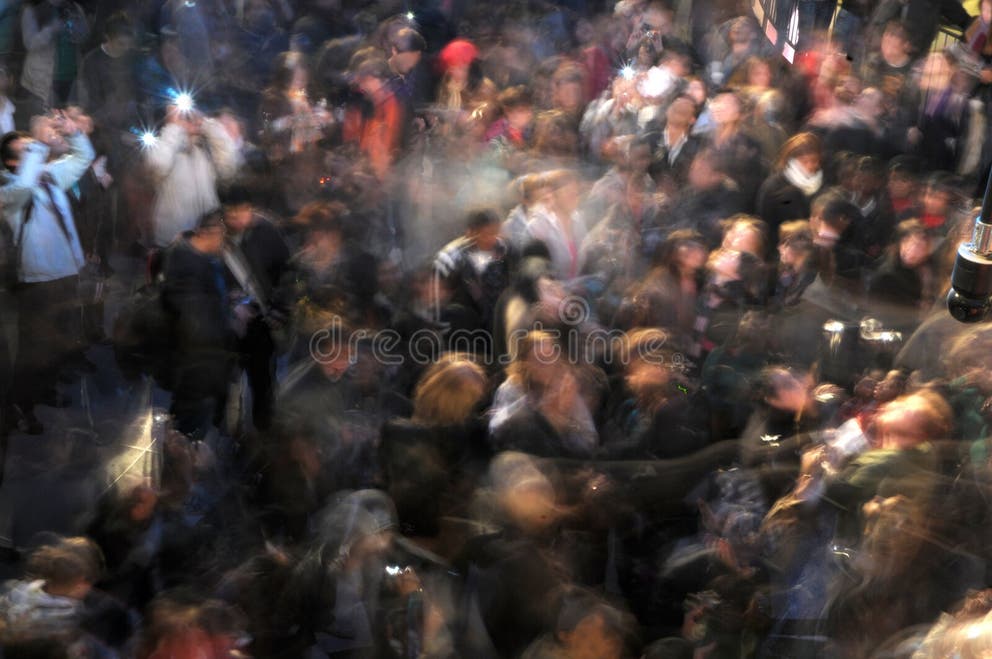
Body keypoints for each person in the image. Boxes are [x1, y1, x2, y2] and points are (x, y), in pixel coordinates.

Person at [0, 109, 94, 434]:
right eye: (27, 151)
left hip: (66, 273)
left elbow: (84, 157)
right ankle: (20, 406)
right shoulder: (10, 192)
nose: (38, 150)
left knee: (58, 342)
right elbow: (24, 186)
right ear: (13, 163)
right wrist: (39, 144)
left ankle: (45, 393)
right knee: (33, 350)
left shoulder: (51, 175)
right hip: (38, 282)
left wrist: (72, 131)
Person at [160, 209, 234, 440]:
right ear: (210, 233)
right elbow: (195, 320)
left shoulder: (205, 258)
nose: (224, 243)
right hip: (196, 359)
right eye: (223, 236)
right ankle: (182, 457)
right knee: (190, 419)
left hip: (205, 357)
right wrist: (230, 323)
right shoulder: (186, 266)